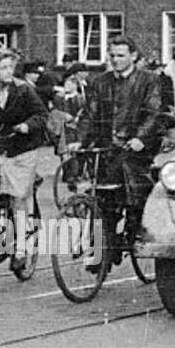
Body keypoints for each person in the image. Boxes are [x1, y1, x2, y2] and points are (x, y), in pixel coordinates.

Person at [73, 36, 165, 270]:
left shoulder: (149, 80)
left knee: (133, 193)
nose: (115, 60)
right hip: (107, 148)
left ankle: (134, 230)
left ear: (133, 56)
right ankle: (103, 249)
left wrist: (141, 138)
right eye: (112, 55)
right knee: (103, 199)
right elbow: (89, 114)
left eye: (121, 55)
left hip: (136, 147)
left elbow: (153, 113)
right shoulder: (99, 81)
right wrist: (78, 141)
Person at [0, 49, 49, 275]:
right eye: (2, 68)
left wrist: (27, 126)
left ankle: (20, 250)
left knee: (19, 197)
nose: (8, 72)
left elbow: (41, 114)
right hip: (0, 147)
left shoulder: (23, 90)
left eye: (10, 67)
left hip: (22, 148)